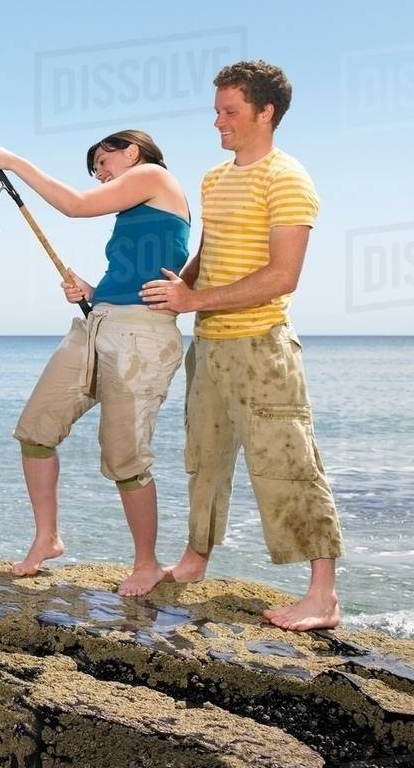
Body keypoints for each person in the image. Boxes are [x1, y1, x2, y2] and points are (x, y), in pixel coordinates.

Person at [140, 60, 344, 631]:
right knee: (204, 460)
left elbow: (283, 276)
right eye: (216, 111)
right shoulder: (214, 178)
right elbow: (210, 254)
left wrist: (193, 302)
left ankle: (322, 596)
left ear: (266, 112)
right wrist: (174, 290)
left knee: (288, 465)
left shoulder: (289, 178)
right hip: (209, 347)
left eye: (229, 112)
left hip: (262, 349)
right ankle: (195, 560)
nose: (218, 122)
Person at [0, 132, 190, 596]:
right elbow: (133, 273)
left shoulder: (154, 176)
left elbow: (74, 206)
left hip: (143, 335)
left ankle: (147, 563)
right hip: (98, 323)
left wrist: (14, 162)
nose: (99, 172)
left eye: (102, 160)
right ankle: (47, 538)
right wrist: (92, 292)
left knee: (124, 457)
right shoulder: (133, 212)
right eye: (94, 168)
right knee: (35, 429)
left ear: (132, 152)